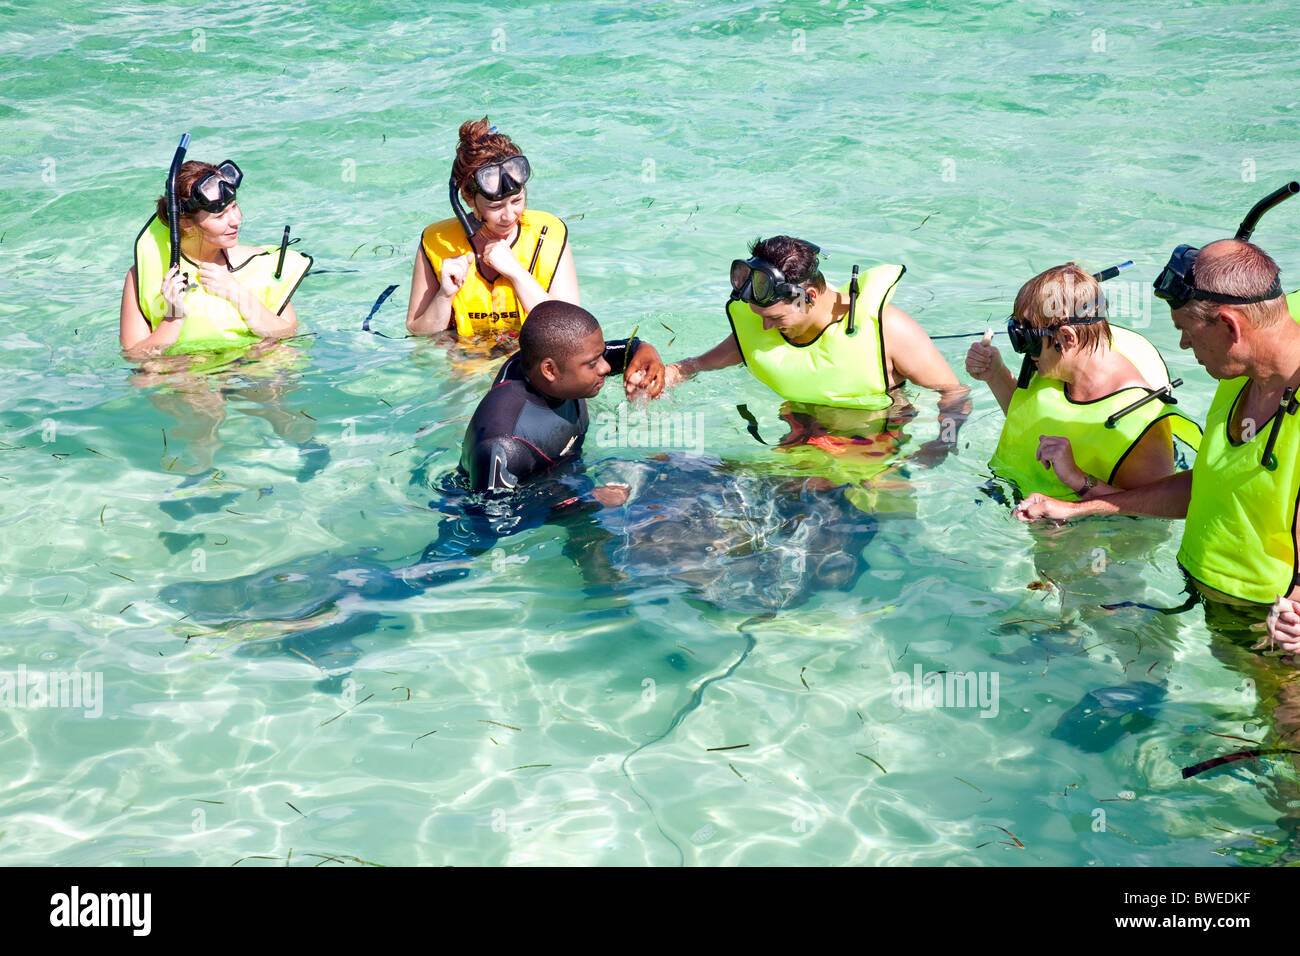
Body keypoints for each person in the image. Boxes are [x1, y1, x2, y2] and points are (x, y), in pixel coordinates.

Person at [1016, 239, 1299, 625]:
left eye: (1188, 332)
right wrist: (1078, 507)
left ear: (1232, 326)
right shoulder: (1245, 368)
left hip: (1270, 617)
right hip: (1213, 593)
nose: (1183, 344)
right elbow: (1206, 486)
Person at [663, 236, 968, 461]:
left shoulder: (889, 329)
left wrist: (941, 443)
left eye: (776, 319)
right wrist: (662, 376)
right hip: (800, 439)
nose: (766, 329)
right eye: (760, 319)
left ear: (806, 296)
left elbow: (955, 393)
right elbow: (694, 366)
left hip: (872, 446)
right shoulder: (763, 323)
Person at [966, 263, 1200, 501]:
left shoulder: (1139, 423)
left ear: (1068, 337)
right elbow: (1028, 418)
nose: (1024, 351)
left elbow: (1153, 514)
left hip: (1085, 528)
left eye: (1028, 339)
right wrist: (995, 373)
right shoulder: (1056, 364)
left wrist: (1077, 478)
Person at [459, 300, 665, 498]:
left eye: (602, 356)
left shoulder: (543, 364)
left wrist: (645, 351)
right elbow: (488, 522)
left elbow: (622, 351)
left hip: (569, 475)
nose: (606, 367)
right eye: (593, 363)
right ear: (549, 370)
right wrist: (587, 499)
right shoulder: (503, 446)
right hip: (546, 502)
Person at [406, 118, 579, 344]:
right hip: (465, 359)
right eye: (495, 206)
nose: (509, 215)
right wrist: (444, 295)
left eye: (517, 200)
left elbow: (571, 334)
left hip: (529, 359)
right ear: (468, 199)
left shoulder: (549, 236)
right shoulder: (437, 243)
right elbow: (418, 332)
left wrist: (516, 272)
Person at [119, 158, 310, 359]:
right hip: (187, 372)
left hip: (247, 369)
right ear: (185, 224)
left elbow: (289, 335)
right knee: (156, 373)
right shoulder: (143, 275)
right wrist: (173, 317)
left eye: (234, 207)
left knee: (279, 353)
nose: (236, 220)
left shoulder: (258, 264)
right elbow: (136, 357)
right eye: (220, 217)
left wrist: (238, 294)